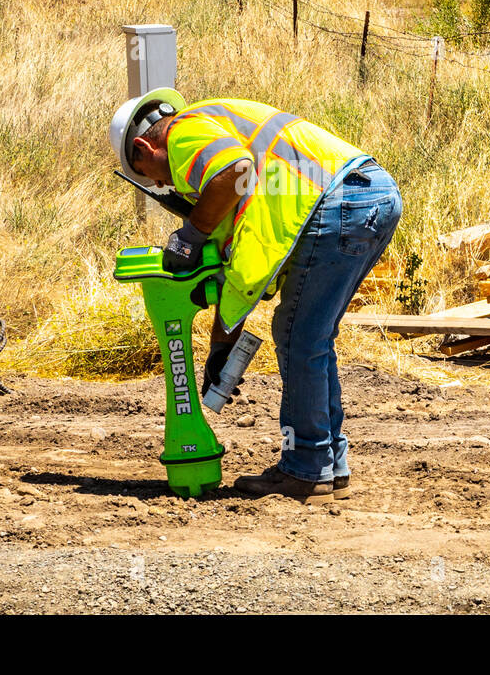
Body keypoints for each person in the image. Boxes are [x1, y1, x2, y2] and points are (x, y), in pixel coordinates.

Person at [109, 89, 401, 504]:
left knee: (300, 337)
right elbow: (245, 267)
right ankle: (327, 464)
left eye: (151, 174)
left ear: (144, 146)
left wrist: (191, 234)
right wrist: (221, 348)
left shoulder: (185, 132)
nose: (161, 183)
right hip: (368, 195)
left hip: (343, 202)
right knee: (311, 337)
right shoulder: (221, 146)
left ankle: (306, 470)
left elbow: (234, 169)